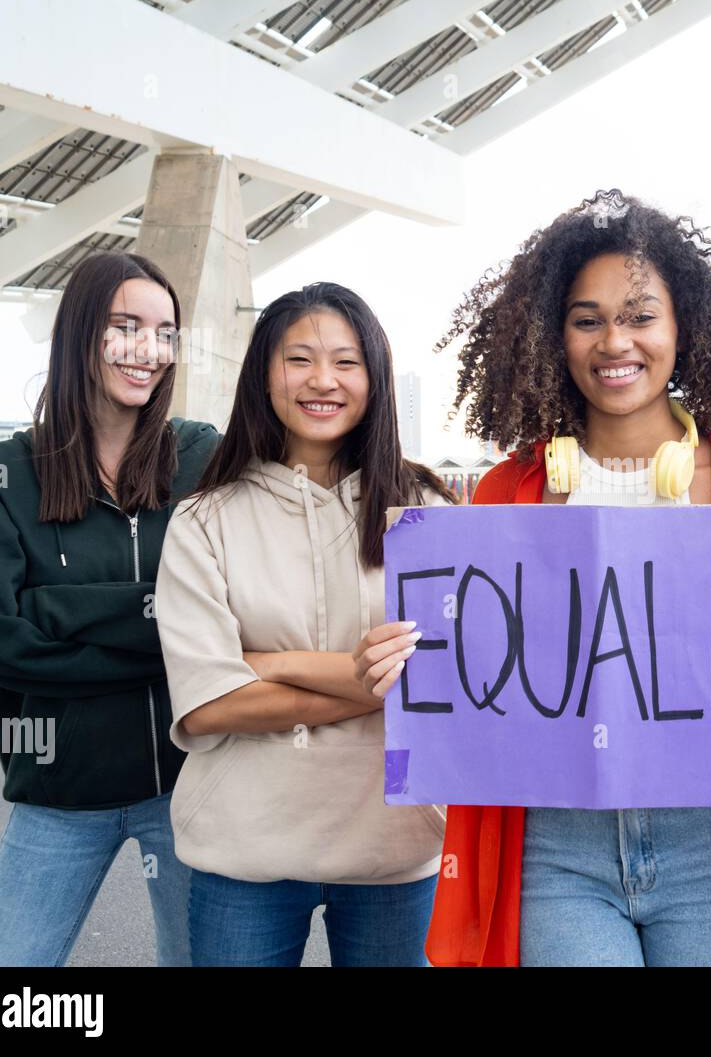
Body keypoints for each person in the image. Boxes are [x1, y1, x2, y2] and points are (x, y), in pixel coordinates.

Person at [357, 190, 711, 966]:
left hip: (708, 841)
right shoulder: (504, 490)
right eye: (587, 319)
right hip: (555, 842)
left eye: (641, 315)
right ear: (556, 334)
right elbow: (480, 677)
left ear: (686, 328)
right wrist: (411, 662)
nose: (615, 340)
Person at [153, 282, 455, 966]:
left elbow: (454, 680)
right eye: (300, 359)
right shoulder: (205, 520)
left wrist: (270, 663)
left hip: (397, 846)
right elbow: (205, 707)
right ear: (264, 374)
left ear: (374, 378)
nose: (324, 380)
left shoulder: (426, 506)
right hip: (244, 855)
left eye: (347, 361)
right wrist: (368, 675)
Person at [0, 251, 219, 965]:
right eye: (126, 325)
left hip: (187, 784)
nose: (150, 350)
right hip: (58, 794)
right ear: (81, 333)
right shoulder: (4, 474)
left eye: (165, 331)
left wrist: (62, 608)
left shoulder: (199, 457)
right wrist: (163, 623)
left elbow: (231, 611)